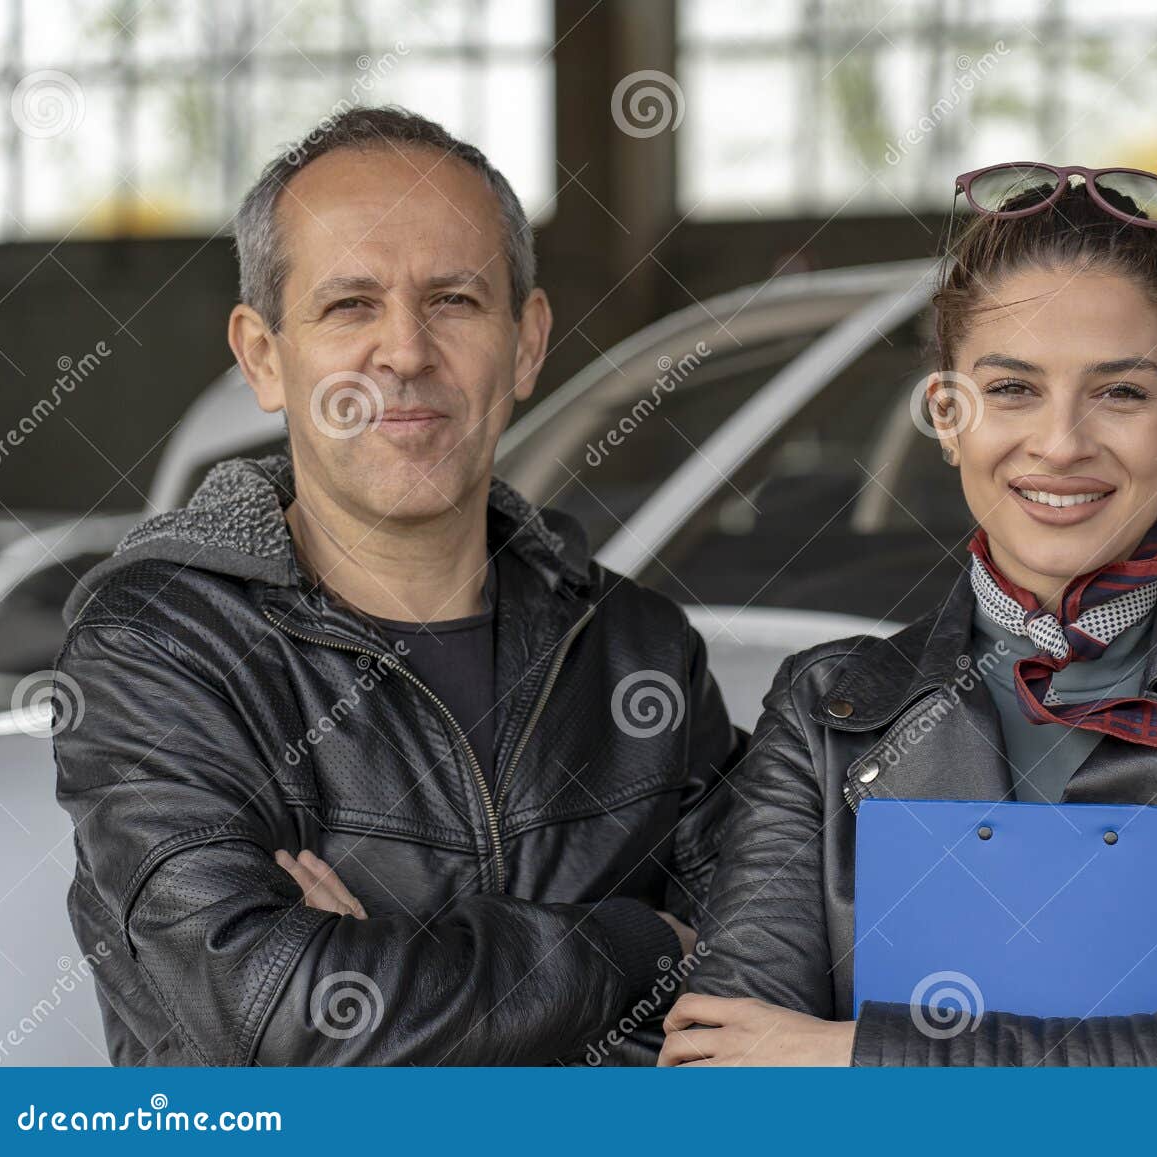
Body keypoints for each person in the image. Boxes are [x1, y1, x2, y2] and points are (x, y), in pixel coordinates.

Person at [660, 162, 1157, 1067]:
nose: (1061, 443)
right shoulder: (826, 707)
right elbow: (732, 1070)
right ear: (947, 414)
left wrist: (859, 1053)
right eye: (1013, 388)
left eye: (1121, 393)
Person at [53, 106, 742, 1066]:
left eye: (455, 299)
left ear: (528, 342)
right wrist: (633, 942)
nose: (407, 352)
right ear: (263, 356)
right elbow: (286, 1027)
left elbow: (759, 1001)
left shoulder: (639, 651)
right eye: (350, 305)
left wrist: (386, 966)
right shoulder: (160, 646)